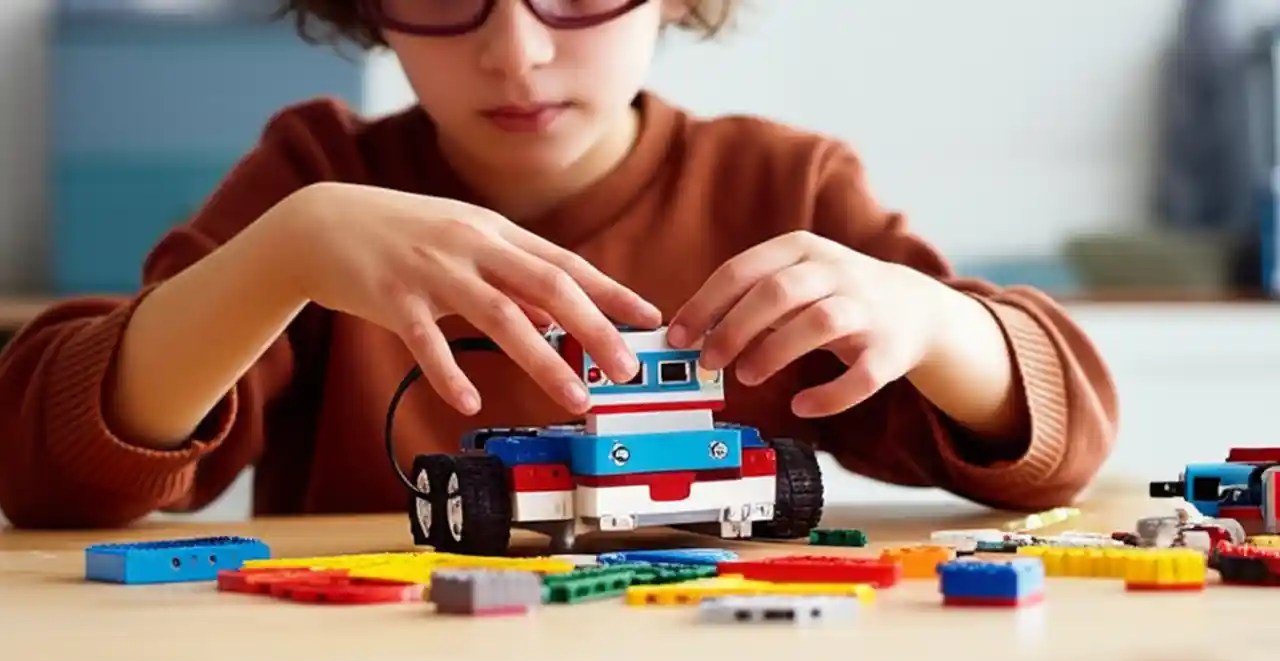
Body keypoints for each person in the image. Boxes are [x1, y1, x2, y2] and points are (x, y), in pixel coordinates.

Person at [0, 0, 1117, 529]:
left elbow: (1047, 450)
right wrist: (278, 255)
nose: (516, 50)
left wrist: (929, 321)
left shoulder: (785, 189)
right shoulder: (316, 178)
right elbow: (49, 471)